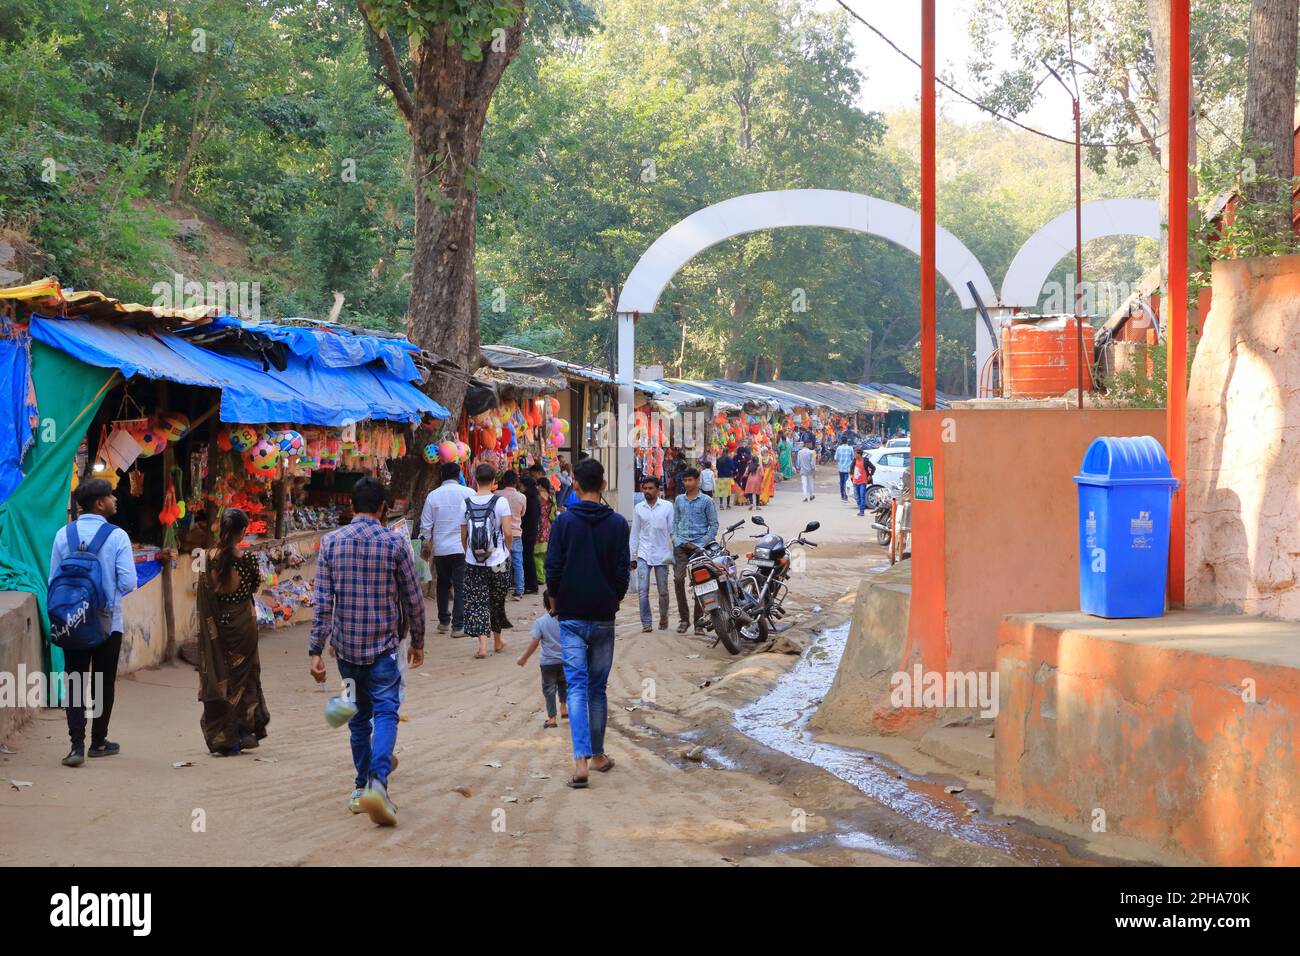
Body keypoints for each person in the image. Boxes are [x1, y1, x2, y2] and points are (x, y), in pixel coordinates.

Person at [310, 477, 425, 827]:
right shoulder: (395, 543)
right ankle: (377, 782)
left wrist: (315, 648)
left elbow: (322, 601)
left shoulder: (330, 543)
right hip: (385, 650)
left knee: (357, 720)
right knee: (387, 713)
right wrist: (418, 641)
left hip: (345, 652)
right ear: (382, 508)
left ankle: (362, 788)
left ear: (351, 507)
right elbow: (413, 597)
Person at [544, 458, 629, 788]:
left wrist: (555, 600)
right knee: (597, 689)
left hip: (571, 616)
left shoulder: (564, 523)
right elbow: (623, 573)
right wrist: (613, 597)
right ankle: (598, 756)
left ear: (575, 486)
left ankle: (580, 762)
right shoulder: (619, 524)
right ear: (603, 485)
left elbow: (552, 568)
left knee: (577, 687)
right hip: (604, 616)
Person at [49, 478, 136, 767]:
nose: (115, 500)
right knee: (103, 682)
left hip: (72, 620)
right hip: (107, 623)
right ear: (99, 503)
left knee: (74, 680)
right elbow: (129, 582)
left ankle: (76, 746)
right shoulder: (117, 536)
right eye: (111, 496)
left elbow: (53, 581)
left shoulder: (64, 534)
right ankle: (99, 742)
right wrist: (106, 594)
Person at [195, 508, 270, 756]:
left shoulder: (206, 558)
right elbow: (255, 586)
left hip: (216, 625)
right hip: (242, 627)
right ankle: (244, 731)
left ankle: (224, 737)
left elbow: (204, 590)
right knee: (245, 678)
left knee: (220, 676)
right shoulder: (247, 559)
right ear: (243, 531)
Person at [460, 462, 514, 659]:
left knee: (477, 600)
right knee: (496, 600)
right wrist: (505, 550)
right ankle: (497, 641)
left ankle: (482, 647)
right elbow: (508, 532)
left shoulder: (465, 502)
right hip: (498, 561)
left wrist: (469, 553)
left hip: (473, 561)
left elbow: (463, 534)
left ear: (475, 478)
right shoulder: (501, 502)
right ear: (493, 481)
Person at [419, 462, 474, 637]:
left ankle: (444, 622)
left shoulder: (433, 496)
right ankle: (458, 626)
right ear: (458, 475)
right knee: (461, 586)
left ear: (441, 475)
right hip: (462, 547)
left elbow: (425, 526)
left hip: (441, 548)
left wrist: (426, 545)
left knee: (443, 584)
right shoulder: (469, 493)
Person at [671, 466, 719, 634]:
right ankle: (684, 620)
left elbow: (713, 526)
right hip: (681, 546)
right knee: (678, 580)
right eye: (685, 480)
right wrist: (676, 539)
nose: (687, 483)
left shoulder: (707, 501)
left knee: (702, 582)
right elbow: (675, 522)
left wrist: (702, 544)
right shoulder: (679, 500)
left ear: (698, 481)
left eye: (690, 480)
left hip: (700, 548)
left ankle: (699, 622)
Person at [515, 591, 568, 728]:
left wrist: (524, 658)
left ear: (545, 604)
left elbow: (535, 642)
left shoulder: (541, 622)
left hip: (548, 663)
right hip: (565, 661)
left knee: (549, 690)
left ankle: (552, 718)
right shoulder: (567, 620)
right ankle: (564, 707)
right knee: (564, 685)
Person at [629, 475, 673, 633]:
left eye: (650, 488)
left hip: (662, 554)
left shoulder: (667, 507)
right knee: (643, 590)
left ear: (658, 489)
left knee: (663, 591)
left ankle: (663, 617)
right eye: (645, 488)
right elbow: (635, 532)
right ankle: (646, 623)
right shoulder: (639, 508)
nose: (647, 491)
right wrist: (631, 555)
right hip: (643, 554)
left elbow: (672, 531)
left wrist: (675, 552)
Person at [497, 470, 527, 599]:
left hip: (500, 533)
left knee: (500, 562)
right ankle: (519, 591)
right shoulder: (522, 497)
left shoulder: (496, 495)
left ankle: (501, 589)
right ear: (516, 482)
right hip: (515, 533)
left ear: (503, 481)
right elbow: (522, 513)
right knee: (518, 562)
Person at [520, 474, 541, 595]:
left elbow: (528, 518)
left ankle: (531, 585)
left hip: (527, 532)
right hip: (531, 531)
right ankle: (530, 584)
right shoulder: (533, 498)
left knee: (527, 558)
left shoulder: (528, 498)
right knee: (528, 558)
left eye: (521, 485)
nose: (520, 487)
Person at [850, 447, 874, 516]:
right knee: (856, 496)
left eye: (855, 454)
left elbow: (873, 468)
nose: (854, 455)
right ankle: (860, 507)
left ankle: (862, 511)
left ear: (859, 454)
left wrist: (870, 475)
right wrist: (851, 475)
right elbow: (851, 468)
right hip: (855, 481)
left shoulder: (865, 461)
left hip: (863, 481)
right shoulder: (854, 460)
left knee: (862, 496)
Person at [834, 436, 854, 501]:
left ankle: (842, 496)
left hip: (841, 468)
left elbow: (835, 458)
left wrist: (840, 461)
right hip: (848, 468)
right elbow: (853, 458)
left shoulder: (838, 448)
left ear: (841, 441)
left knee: (842, 482)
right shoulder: (850, 448)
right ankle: (846, 496)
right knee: (847, 482)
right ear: (847, 441)